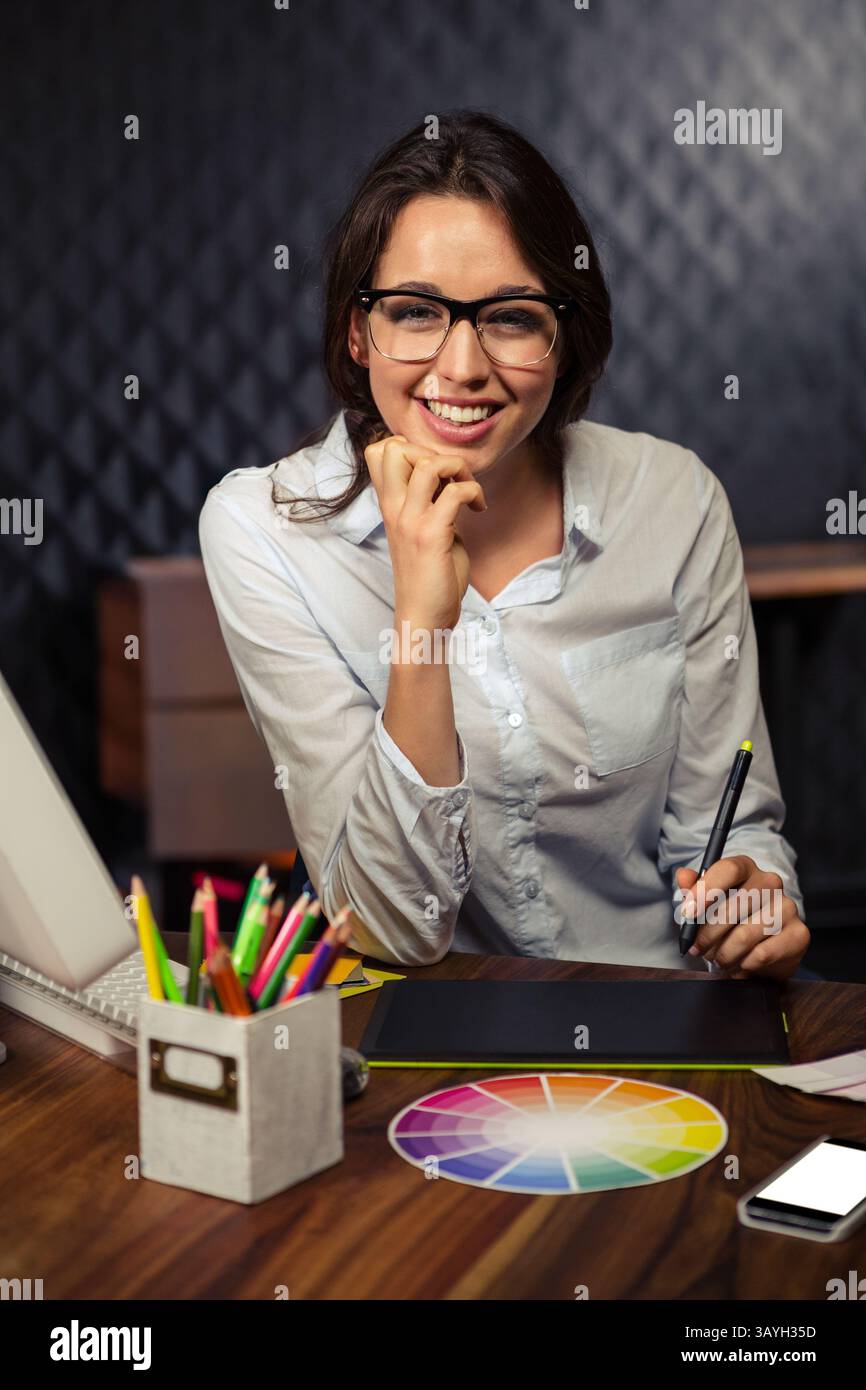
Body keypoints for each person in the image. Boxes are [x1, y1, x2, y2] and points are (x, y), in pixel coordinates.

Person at [199, 110, 809, 980]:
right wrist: (423, 617)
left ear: (566, 339)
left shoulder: (674, 502)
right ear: (356, 329)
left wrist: (754, 903)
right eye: (414, 311)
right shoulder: (265, 528)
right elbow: (389, 928)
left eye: (512, 319)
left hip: (659, 1012)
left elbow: (734, 829)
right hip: (427, 1041)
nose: (460, 367)